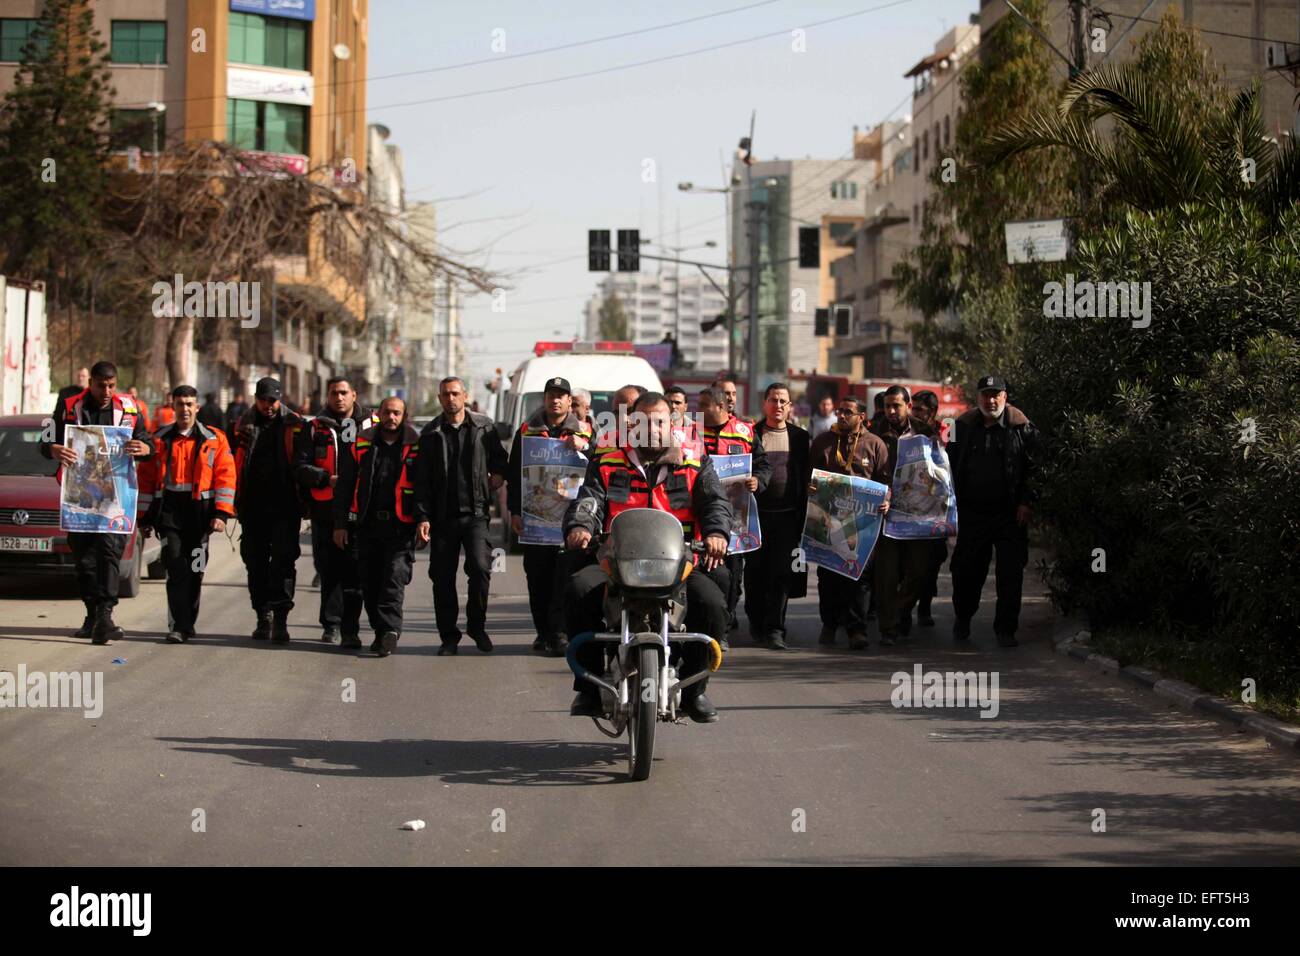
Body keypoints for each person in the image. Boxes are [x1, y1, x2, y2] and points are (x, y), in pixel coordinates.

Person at [562, 391, 731, 723]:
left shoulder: (695, 458)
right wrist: (581, 526)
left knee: (713, 601)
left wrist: (716, 533)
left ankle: (696, 690)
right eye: (643, 421)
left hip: (678, 560)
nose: (651, 428)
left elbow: (714, 502)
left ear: (672, 423)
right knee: (577, 589)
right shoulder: (609, 457)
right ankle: (588, 686)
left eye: (659, 421)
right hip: (617, 559)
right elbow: (590, 499)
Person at [40, 361, 153, 643]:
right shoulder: (69, 406)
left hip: (116, 498)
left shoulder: (129, 407)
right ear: (90, 382)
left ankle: (106, 615)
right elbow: (44, 443)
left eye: (111, 385)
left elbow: (147, 441)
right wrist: (53, 449)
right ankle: (92, 615)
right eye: (101, 385)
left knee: (108, 554)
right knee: (84, 559)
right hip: (80, 497)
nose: (106, 391)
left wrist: (145, 447)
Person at [413, 376, 508, 655]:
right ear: (440, 398)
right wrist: (422, 517)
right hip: (442, 518)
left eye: (455, 393)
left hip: (476, 514)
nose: (450, 398)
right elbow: (422, 481)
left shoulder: (483, 427)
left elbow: (499, 458)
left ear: (465, 395)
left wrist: (499, 474)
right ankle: (449, 637)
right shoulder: (430, 433)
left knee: (480, 568)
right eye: (445, 394)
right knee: (442, 577)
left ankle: (476, 627)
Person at [947, 375, 1041, 647]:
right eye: (985, 395)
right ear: (977, 398)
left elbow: (1036, 471)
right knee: (966, 572)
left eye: (996, 395)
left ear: (1005, 397)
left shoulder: (1024, 428)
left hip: (1010, 516)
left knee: (1010, 574)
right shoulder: (960, 427)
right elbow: (945, 465)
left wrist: (1027, 502)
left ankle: (1006, 629)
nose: (991, 400)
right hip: (972, 514)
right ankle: (962, 618)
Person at [137, 386, 236, 644]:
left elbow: (226, 477)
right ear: (173, 407)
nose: (185, 409)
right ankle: (178, 625)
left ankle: (187, 621)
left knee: (195, 569)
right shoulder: (158, 439)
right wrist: (144, 518)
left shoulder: (215, 439)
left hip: (200, 515)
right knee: (175, 566)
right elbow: (145, 480)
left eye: (189, 404)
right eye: (180, 404)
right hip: (170, 513)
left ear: (197, 408)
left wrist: (221, 514)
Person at [507, 376, 590, 656]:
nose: (555, 400)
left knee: (565, 578)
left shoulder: (586, 431)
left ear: (570, 401)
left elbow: (599, 469)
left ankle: (560, 633)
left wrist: (584, 448)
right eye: (550, 395)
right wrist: (515, 512)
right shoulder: (527, 430)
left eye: (561, 395)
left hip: (571, 521)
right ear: (544, 399)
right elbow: (514, 473)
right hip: (536, 522)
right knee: (537, 578)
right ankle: (543, 632)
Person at [335, 397, 420, 657]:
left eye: (396, 413)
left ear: (404, 416)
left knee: (393, 579)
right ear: (378, 414)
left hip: (400, 526)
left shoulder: (417, 445)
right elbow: (346, 485)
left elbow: (426, 486)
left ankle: (390, 631)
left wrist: (423, 519)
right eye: (387, 412)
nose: (391, 417)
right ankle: (381, 630)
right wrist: (341, 524)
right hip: (367, 526)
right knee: (369, 583)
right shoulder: (361, 442)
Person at [294, 376, 376, 647]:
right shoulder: (313, 428)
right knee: (329, 569)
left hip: (360, 511)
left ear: (354, 394)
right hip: (325, 510)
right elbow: (301, 467)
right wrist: (325, 478)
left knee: (355, 572)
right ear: (327, 397)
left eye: (343, 392)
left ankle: (351, 628)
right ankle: (332, 625)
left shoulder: (373, 426)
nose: (338, 398)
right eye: (333, 393)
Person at [808, 395, 890, 649]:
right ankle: (829, 625)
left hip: (862, 525)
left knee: (860, 577)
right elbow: (809, 476)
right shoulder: (823, 441)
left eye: (848, 412)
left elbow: (885, 481)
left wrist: (887, 499)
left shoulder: (875, 445)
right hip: (827, 521)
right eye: (840, 411)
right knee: (828, 574)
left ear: (861, 417)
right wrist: (811, 489)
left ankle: (857, 629)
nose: (841, 416)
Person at [232, 377, 306, 643]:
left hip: (286, 507)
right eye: (263, 400)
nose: (268, 405)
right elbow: (232, 465)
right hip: (253, 508)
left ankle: (281, 619)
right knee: (255, 563)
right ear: (256, 399)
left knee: (284, 563)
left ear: (280, 398)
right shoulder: (242, 425)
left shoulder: (296, 424)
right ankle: (263, 616)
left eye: (273, 400)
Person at [697, 386, 771, 647]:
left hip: (737, 520)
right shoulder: (689, 432)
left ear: (720, 406)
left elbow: (763, 465)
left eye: (704, 405)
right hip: (702, 519)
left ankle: (723, 630)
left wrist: (758, 481)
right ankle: (703, 627)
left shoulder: (745, 431)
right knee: (704, 574)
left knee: (732, 578)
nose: (699, 410)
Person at [869, 385, 940, 646]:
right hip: (886, 517)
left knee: (921, 573)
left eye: (896, 406)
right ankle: (888, 629)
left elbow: (940, 468)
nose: (891, 411)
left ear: (908, 406)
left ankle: (901, 611)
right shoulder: (874, 432)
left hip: (918, 516)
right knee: (886, 576)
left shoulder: (925, 431)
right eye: (887, 405)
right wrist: (878, 495)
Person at [744, 382, 811, 650]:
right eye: (773, 400)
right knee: (755, 574)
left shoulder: (800, 437)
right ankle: (756, 621)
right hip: (755, 517)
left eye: (783, 401)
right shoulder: (752, 433)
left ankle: (775, 629)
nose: (778, 405)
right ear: (765, 404)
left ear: (790, 406)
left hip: (787, 517)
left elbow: (808, 472)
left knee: (781, 574)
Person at [908, 389, 947, 627]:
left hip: (935, 509)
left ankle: (924, 607)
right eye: (913, 408)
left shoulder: (944, 433)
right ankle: (903, 610)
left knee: (932, 561)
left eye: (920, 410)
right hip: (910, 507)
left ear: (932, 412)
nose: (915, 413)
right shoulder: (907, 431)